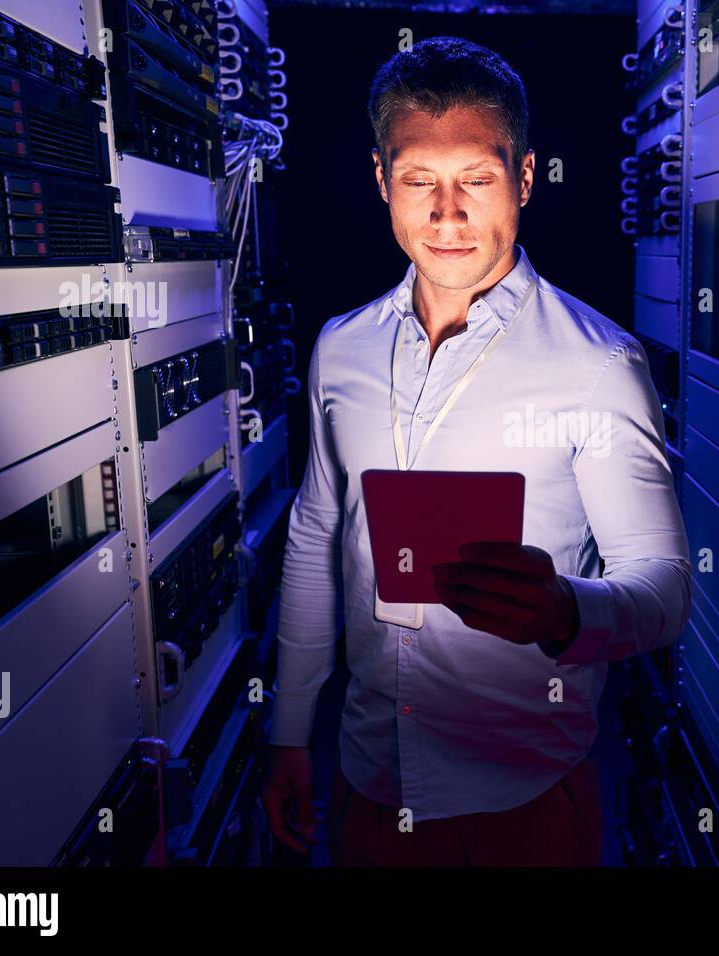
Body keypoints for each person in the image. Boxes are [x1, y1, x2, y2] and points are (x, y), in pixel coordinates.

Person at [262, 35, 691, 866]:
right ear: (383, 180)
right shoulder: (339, 348)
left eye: (478, 181)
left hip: (523, 798)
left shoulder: (598, 364)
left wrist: (567, 610)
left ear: (524, 179)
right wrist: (288, 732)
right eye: (420, 180)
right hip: (366, 778)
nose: (447, 214)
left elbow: (666, 589)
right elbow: (316, 540)